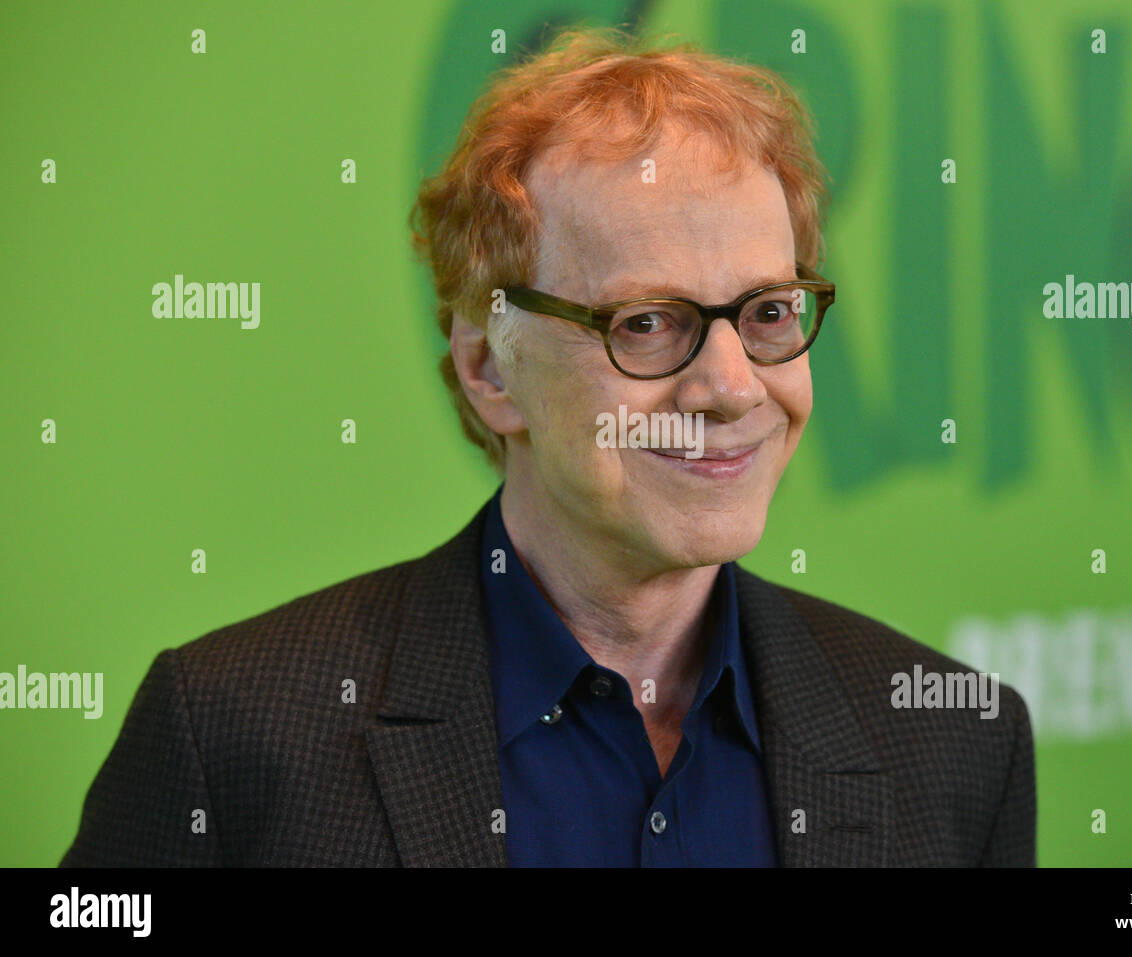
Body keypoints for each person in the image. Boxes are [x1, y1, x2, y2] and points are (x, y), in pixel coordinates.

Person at [61, 26, 1034, 867]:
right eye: (647, 324)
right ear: (489, 366)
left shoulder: (953, 741)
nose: (733, 386)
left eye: (769, 312)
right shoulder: (235, 737)